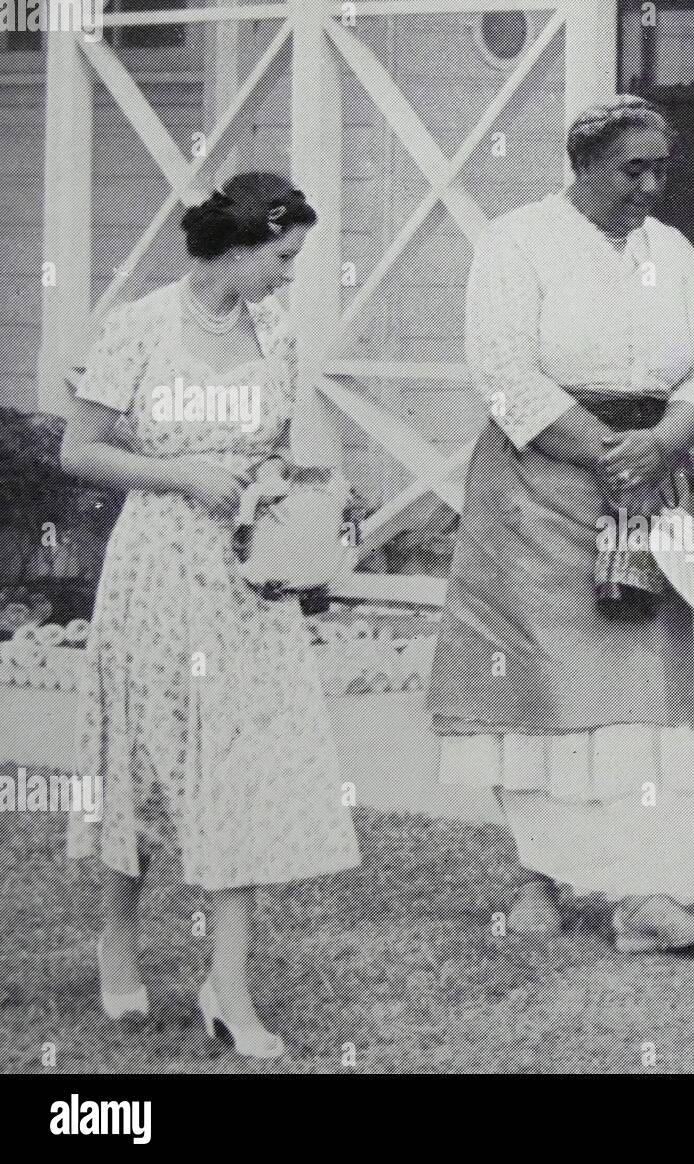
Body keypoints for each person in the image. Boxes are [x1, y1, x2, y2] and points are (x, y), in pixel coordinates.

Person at [62, 173, 360, 1057]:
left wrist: (296, 507)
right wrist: (182, 475)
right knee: (148, 762)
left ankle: (227, 987)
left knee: (246, 767)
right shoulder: (141, 326)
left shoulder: (277, 333)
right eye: (281, 257)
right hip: (157, 571)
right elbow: (82, 449)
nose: (287, 276)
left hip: (248, 582)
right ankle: (118, 933)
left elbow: (274, 449)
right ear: (233, 247)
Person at [426, 96, 694, 953]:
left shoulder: (672, 252)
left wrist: (665, 441)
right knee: (545, 693)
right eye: (633, 168)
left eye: (661, 168)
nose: (650, 185)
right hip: (539, 491)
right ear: (583, 163)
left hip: (644, 492)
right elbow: (502, 373)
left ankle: (647, 894)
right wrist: (606, 451)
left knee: (642, 695)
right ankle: (541, 873)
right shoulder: (517, 242)